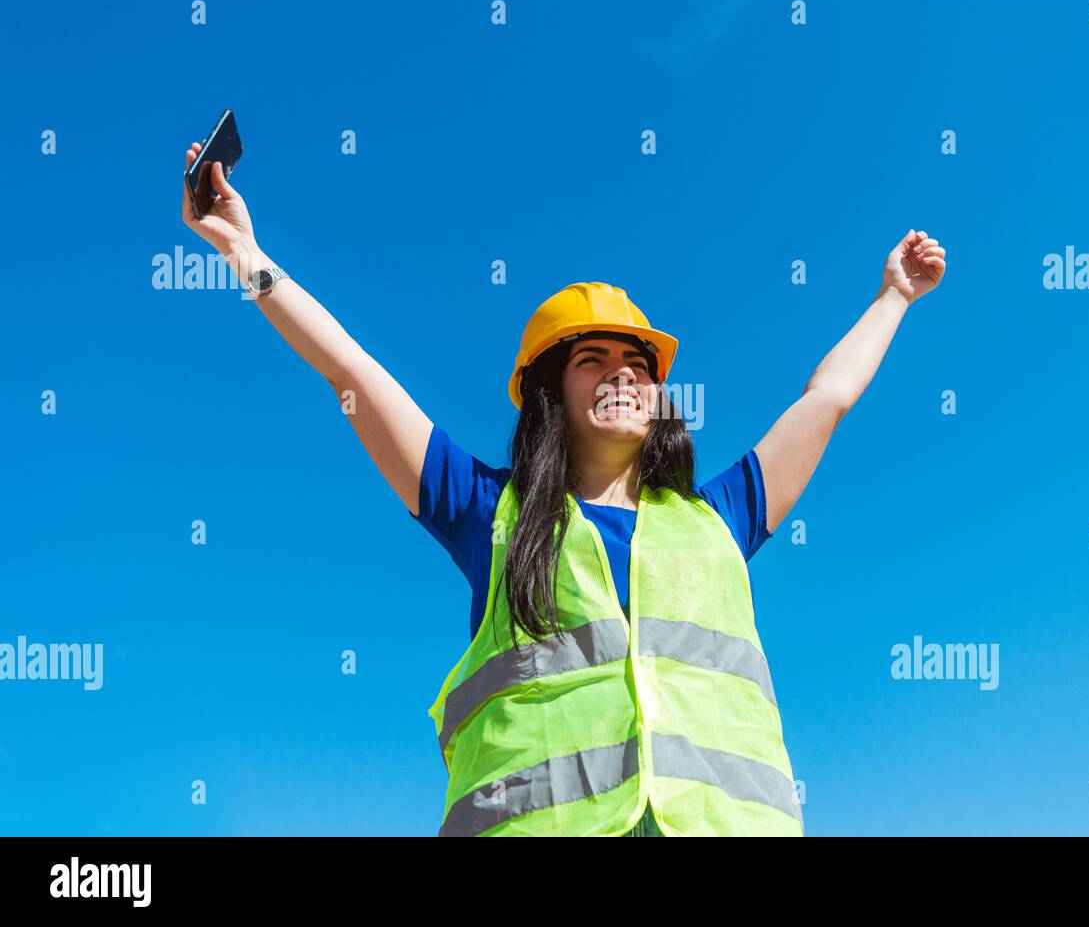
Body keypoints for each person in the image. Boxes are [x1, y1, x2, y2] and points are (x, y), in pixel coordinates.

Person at [180, 140, 948, 836]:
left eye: (639, 363)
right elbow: (351, 370)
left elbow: (826, 400)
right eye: (593, 359)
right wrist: (245, 254)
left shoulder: (720, 517)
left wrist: (893, 297)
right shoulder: (486, 510)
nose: (623, 373)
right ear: (550, 393)